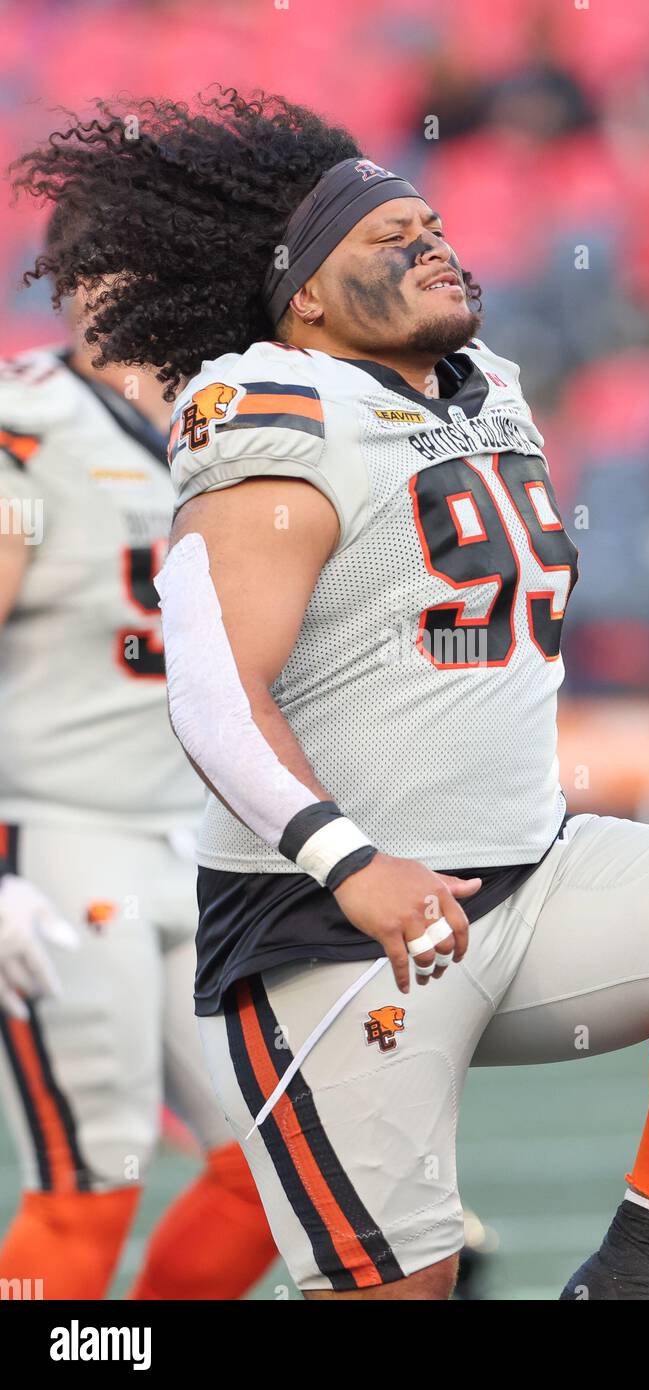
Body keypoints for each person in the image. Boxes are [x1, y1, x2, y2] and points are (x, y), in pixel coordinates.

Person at [13, 89, 649, 1301]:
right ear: (303, 297)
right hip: (331, 926)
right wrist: (348, 859)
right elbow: (208, 687)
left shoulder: (485, 380)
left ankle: (642, 1274)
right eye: (389, 242)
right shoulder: (273, 406)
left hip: (523, 873)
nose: (435, 246)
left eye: (436, 227)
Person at [0, 258, 276, 1299]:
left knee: (270, 1164)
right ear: (73, 288)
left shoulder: (227, 421)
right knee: (94, 1173)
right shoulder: (29, 426)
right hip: (57, 837)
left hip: (194, 844)